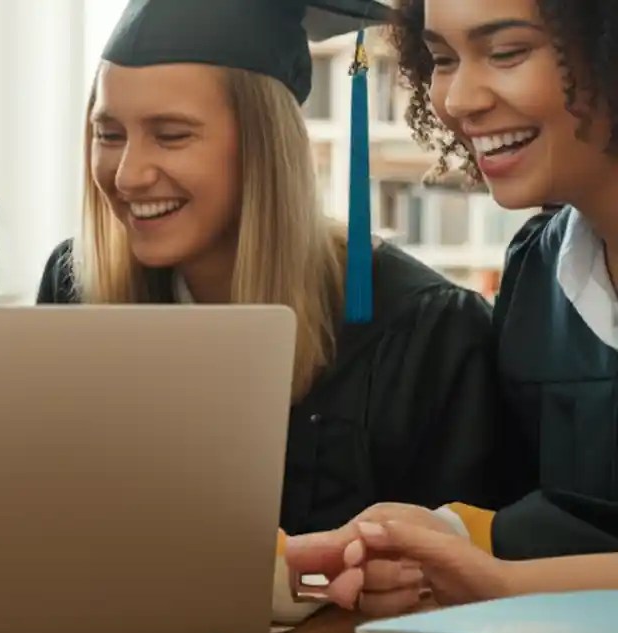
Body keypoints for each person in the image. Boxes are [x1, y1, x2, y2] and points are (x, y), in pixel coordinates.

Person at [37, 0, 525, 536]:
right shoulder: (75, 288)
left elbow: (463, 582)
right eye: (109, 135)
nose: (128, 176)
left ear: (265, 146)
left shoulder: (423, 332)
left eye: (172, 135)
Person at [285, 0, 618, 616]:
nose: (458, 99)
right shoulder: (539, 275)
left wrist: (502, 586)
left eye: (507, 52)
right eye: (441, 58)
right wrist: (445, 540)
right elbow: (580, 518)